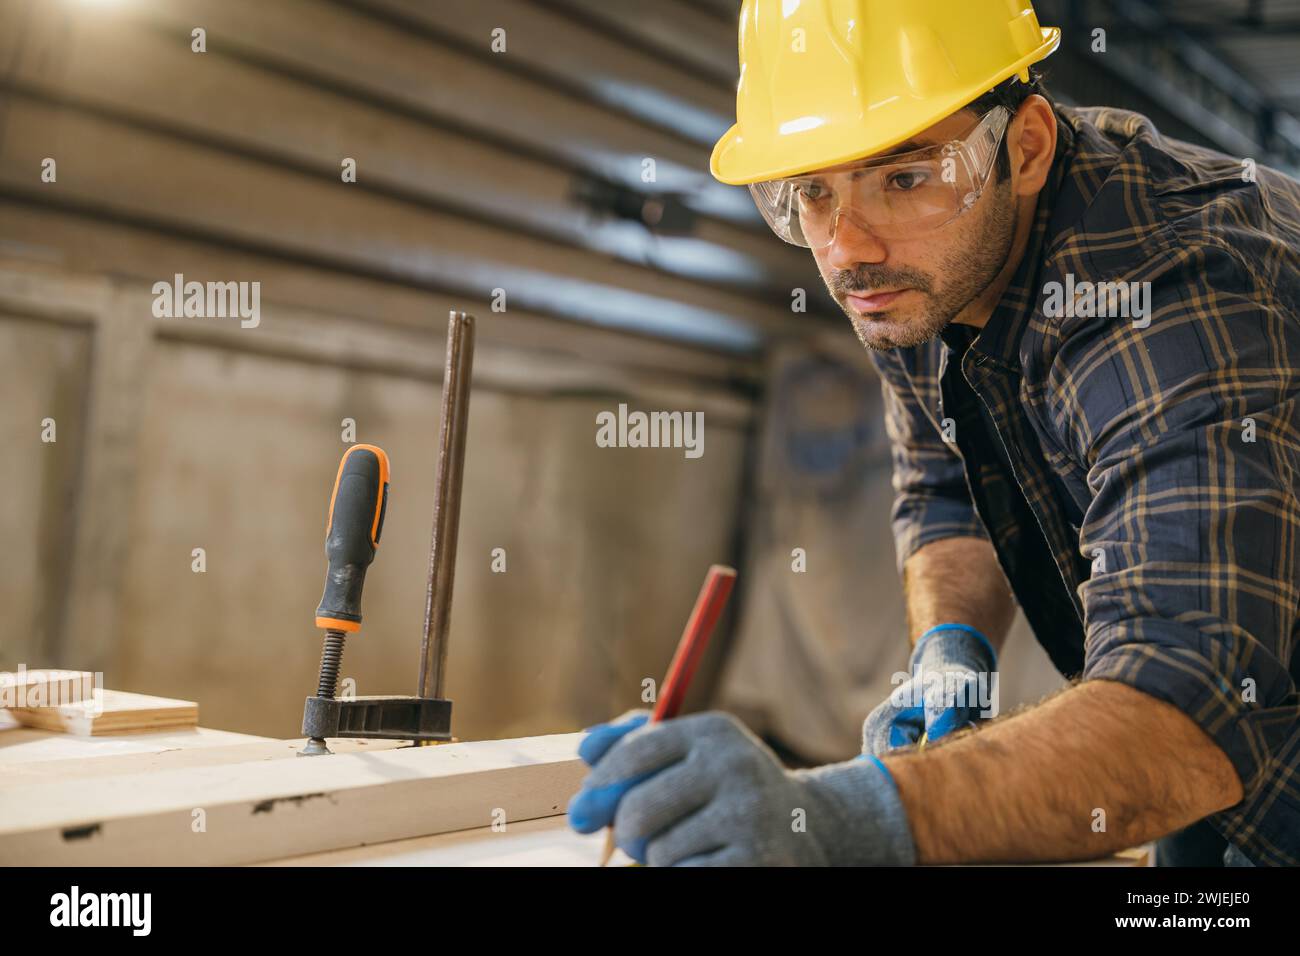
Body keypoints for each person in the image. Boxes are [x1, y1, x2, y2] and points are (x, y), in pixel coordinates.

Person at [568, 0, 1300, 866]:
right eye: (811, 192)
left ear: (1026, 147)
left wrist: (846, 819)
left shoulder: (1173, 299)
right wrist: (952, 651)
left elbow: (1188, 714)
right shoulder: (926, 267)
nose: (847, 250)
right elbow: (949, 483)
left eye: (905, 177)